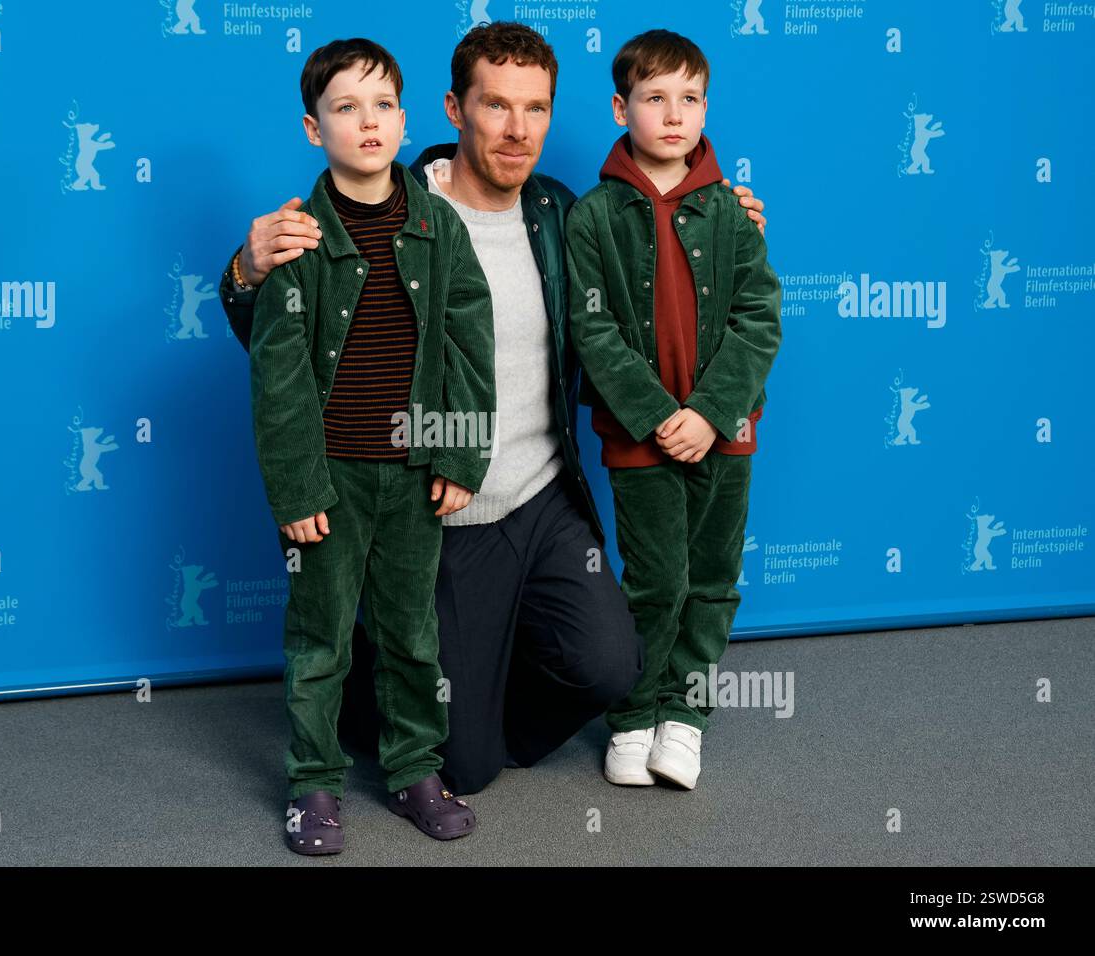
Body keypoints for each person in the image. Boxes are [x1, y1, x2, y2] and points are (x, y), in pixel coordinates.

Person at [224, 22, 769, 796]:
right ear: (453, 108)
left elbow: (647, 284)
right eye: (496, 106)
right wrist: (245, 270)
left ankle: (474, 675)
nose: (518, 131)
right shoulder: (391, 207)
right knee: (467, 767)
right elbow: (289, 342)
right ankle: (389, 684)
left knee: (613, 668)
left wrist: (715, 222)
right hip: (444, 513)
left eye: (537, 109)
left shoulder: (564, 215)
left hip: (544, 505)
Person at [249, 37, 495, 854]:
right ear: (314, 129)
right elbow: (279, 377)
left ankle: (414, 767)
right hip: (332, 479)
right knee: (319, 635)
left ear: (405, 118)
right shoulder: (296, 239)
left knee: (411, 634)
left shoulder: (438, 227)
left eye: (384, 105)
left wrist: (459, 455)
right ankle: (314, 781)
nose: (369, 122)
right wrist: (297, 489)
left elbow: (470, 347)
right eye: (345, 107)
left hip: (414, 471)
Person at [566, 29, 782, 791]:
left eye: (689, 98)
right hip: (640, 436)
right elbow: (589, 328)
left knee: (713, 577)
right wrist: (660, 415)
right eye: (655, 99)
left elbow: (760, 317)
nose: (674, 114)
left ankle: (686, 717)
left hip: (726, 435)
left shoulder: (731, 211)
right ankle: (634, 714)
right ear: (622, 107)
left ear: (705, 107)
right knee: (655, 581)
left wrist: (712, 412)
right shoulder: (592, 216)